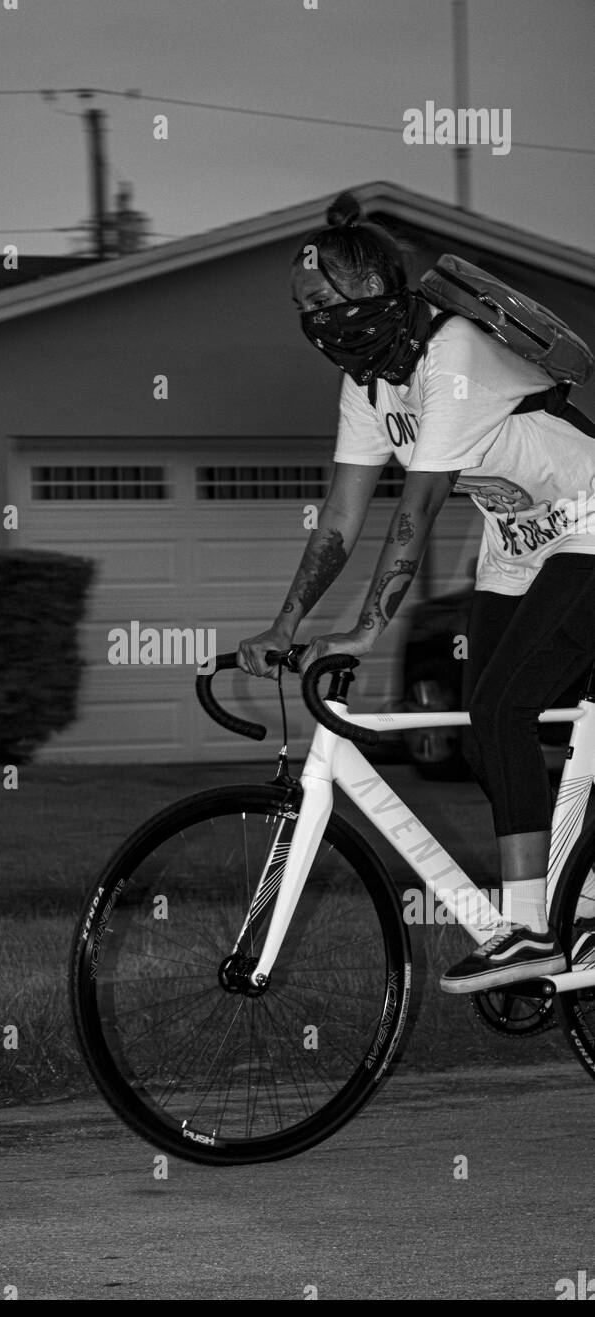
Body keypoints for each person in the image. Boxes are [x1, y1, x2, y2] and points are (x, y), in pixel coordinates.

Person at [237, 190, 595, 994]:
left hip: (592, 522)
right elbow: (341, 515)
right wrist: (283, 621)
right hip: (520, 541)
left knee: (504, 705)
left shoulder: (452, 351)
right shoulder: (369, 386)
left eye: (324, 300)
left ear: (370, 290)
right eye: (303, 309)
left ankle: (532, 931)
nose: (314, 321)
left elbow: (421, 503)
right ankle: (580, 911)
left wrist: (368, 630)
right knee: (483, 728)